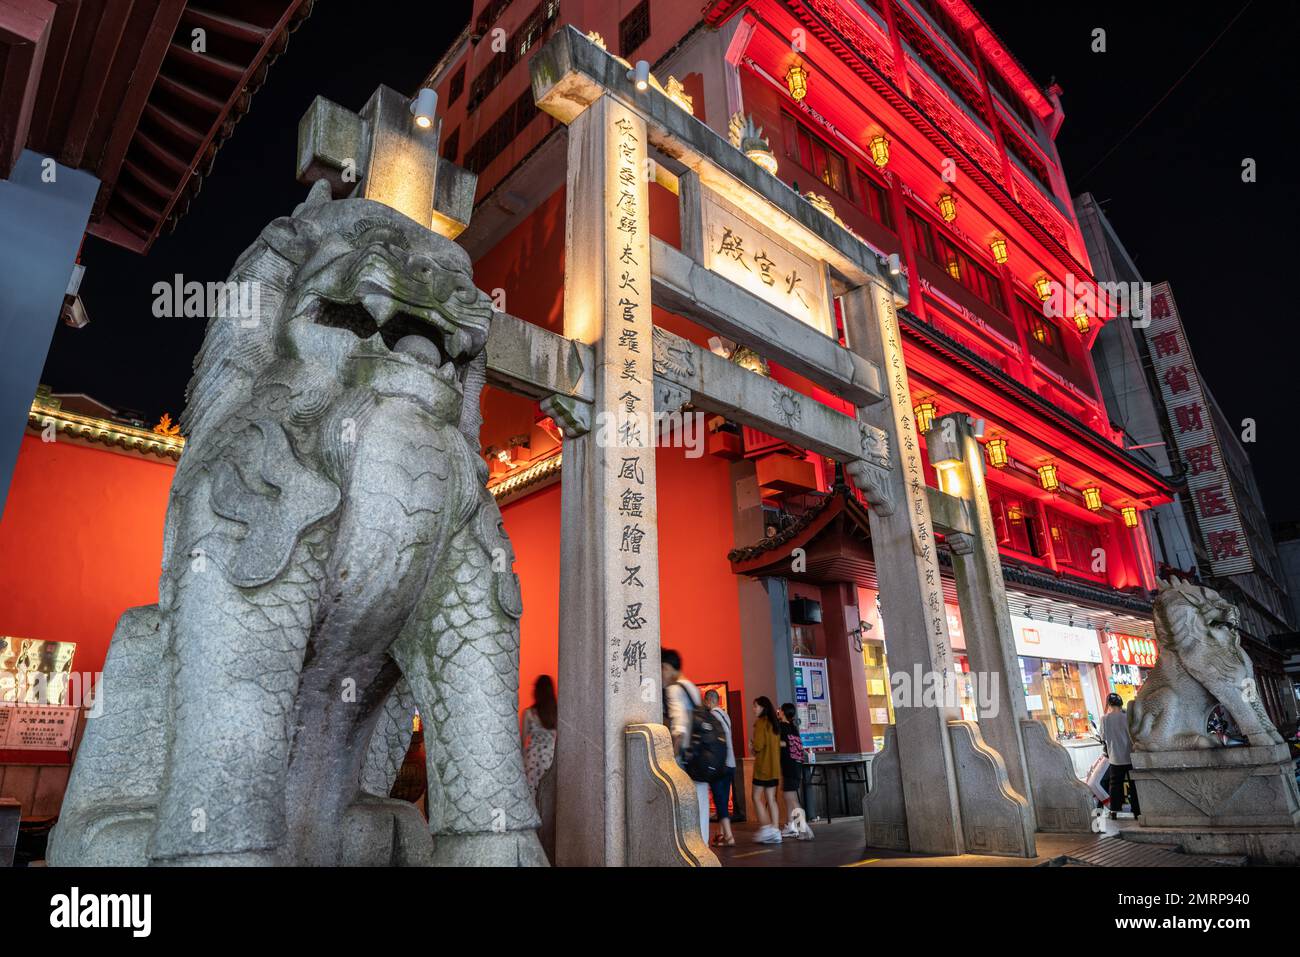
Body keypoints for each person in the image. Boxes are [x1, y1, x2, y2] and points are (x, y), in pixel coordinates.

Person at [661, 649, 710, 841]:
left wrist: (671, 759)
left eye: (662, 670)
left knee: (684, 807)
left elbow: (679, 728)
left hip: (687, 758)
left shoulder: (674, 689)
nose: (661, 676)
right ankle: (703, 849)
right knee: (701, 804)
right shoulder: (691, 686)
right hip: (701, 755)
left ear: (668, 668)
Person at [704, 689, 736, 847]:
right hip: (731, 763)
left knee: (720, 800)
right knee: (722, 798)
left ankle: (729, 836)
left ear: (708, 701)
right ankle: (722, 833)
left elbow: (710, 741)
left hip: (720, 764)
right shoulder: (725, 715)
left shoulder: (712, 717)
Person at [1101, 692, 1141, 819]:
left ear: (1108, 704)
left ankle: (1114, 811)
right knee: (1133, 784)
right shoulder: (1126, 717)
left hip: (1115, 758)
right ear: (1121, 704)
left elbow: (1103, 737)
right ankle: (1137, 811)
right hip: (1130, 756)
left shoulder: (1105, 719)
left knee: (1115, 785)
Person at [750, 696, 784, 844]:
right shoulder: (775, 723)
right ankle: (776, 831)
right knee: (771, 799)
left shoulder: (761, 723)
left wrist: (751, 746)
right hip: (774, 768)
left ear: (763, 707)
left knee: (756, 797)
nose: (754, 709)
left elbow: (758, 746)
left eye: (756, 706)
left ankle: (766, 828)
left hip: (762, 767)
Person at [778, 702, 813, 840]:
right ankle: (790, 826)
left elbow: (782, 744)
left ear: (783, 712)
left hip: (788, 765)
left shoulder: (782, 727)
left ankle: (803, 829)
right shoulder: (794, 728)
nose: (779, 712)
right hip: (796, 765)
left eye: (780, 710)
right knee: (788, 797)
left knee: (791, 798)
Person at [521, 675, 557, 805]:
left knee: (531, 794)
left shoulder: (529, 713)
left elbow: (522, 739)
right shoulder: (557, 713)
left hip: (532, 758)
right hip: (551, 757)